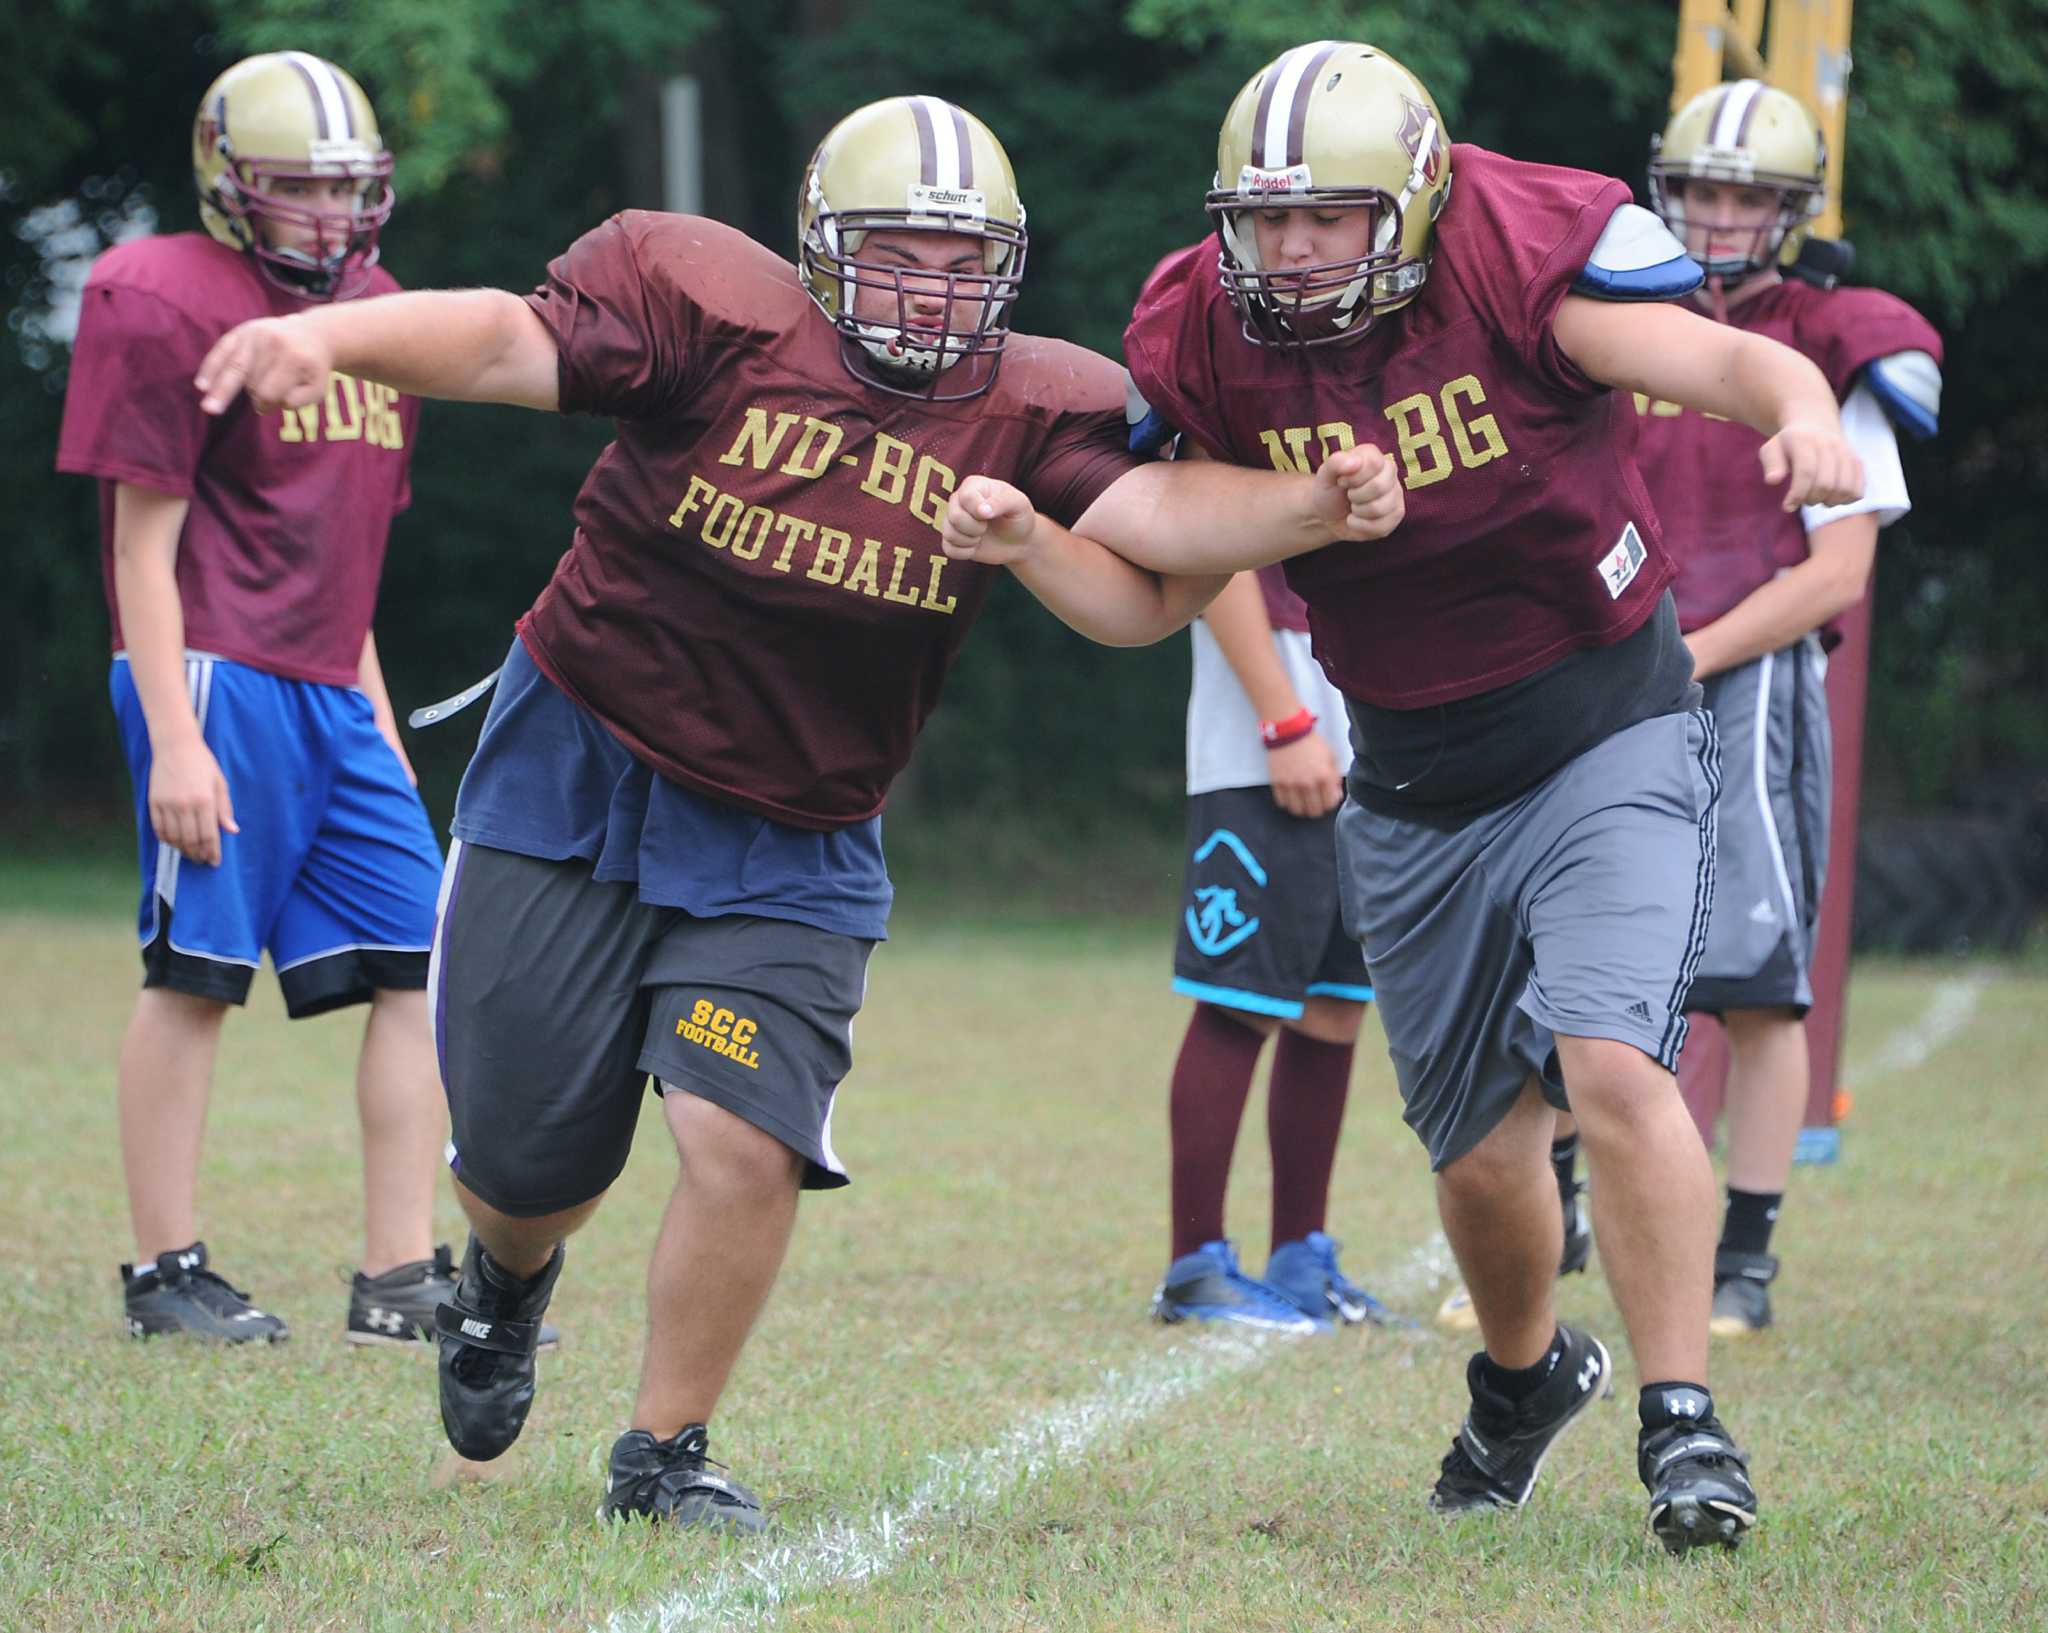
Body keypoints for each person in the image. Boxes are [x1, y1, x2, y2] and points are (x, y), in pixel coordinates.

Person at [191, 94, 1403, 1528]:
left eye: (962, 263)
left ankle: (664, 1447)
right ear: (824, 250)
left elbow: (1154, 540)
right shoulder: (713, 312)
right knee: (526, 1161)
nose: (929, 289)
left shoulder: (1029, 404)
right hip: (581, 760)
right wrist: (325, 335)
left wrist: (1308, 510)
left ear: (1005, 272)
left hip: (796, 823)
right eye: (897, 252)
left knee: (740, 1133)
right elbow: (505, 341)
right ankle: (504, 1280)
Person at [963, 40, 1864, 1551]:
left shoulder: (1518, 257)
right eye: (1269, 218)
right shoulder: (1206, 326)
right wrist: (1037, 549)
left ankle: (1682, 1420)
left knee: (1613, 1062)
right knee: (1475, 1153)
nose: (1296, 248)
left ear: (1423, 199)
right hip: (1412, 768)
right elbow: (1152, 597)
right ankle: (1524, 1379)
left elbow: (1722, 359)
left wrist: (1798, 404)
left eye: (1333, 215)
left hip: (1605, 720)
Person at [56, 52, 466, 1350]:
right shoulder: (161, 294)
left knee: (425, 964)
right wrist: (175, 734)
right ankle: (163, 1269)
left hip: (332, 682)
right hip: (217, 670)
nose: (327, 217)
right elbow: (140, 546)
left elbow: (350, 555)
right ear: (230, 188)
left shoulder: (380, 310)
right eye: (296, 190)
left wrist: (382, 724)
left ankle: (399, 1277)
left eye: (346, 191)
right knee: (198, 972)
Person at [1639, 80, 1943, 1336]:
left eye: (1742, 196)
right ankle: (1550, 1235)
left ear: (1788, 212)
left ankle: (1743, 1259)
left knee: (1757, 982)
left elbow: (1838, 570)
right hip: (1605, 666)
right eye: (1698, 191)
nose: (1715, 216)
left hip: (1746, 677)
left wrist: (1691, 655)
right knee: (1560, 970)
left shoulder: (1835, 337)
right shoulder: (1621, 319)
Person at [1151, 564, 1385, 1333]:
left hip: (1367, 735)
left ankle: (1300, 1258)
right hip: (1269, 739)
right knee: (1239, 1001)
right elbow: (1210, 552)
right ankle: (1195, 1264)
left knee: (1334, 1006)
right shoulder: (1230, 439)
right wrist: (1282, 719)